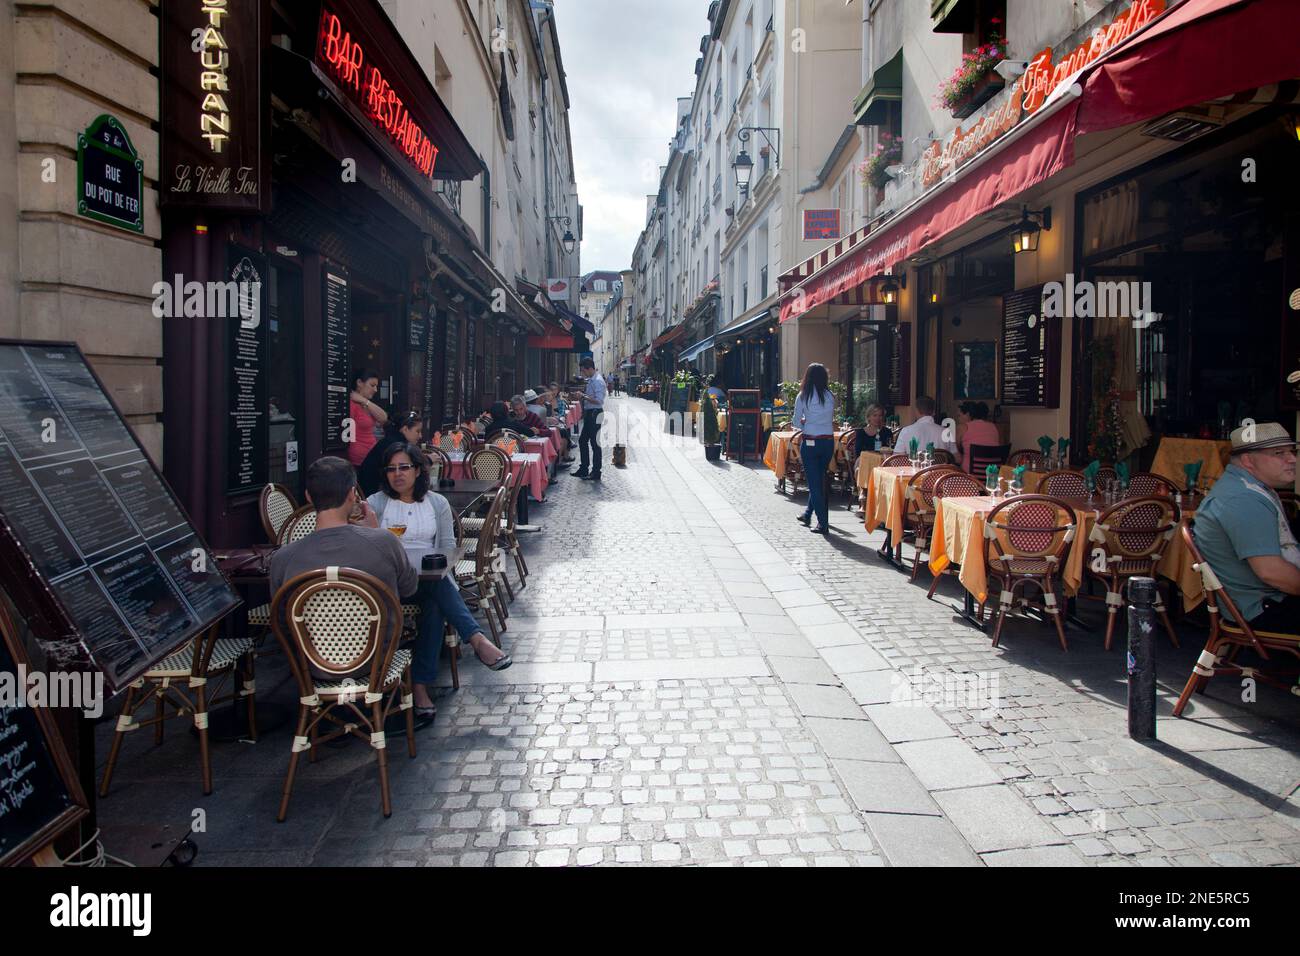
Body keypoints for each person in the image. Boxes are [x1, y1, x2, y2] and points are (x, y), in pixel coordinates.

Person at [365, 443, 511, 719]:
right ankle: (476, 639)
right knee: (436, 597)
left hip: (424, 584)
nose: (397, 474)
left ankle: (420, 686)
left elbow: (446, 551)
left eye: (404, 467)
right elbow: (365, 548)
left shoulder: (436, 503)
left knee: (433, 603)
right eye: (391, 469)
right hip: (386, 587)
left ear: (418, 470)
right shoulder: (375, 504)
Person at [269, 456, 416, 685]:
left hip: (312, 667)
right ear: (351, 494)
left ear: (308, 497)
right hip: (378, 660)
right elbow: (409, 587)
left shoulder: (283, 559)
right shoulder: (384, 542)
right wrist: (376, 532)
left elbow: (280, 621)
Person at [1194, 422, 1300, 632]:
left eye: (1292, 451)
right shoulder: (1243, 499)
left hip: (1266, 600)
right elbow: (1271, 572)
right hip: (1265, 607)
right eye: (1279, 453)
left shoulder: (1249, 487)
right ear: (1248, 460)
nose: (1292, 459)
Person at [793, 362, 836, 535]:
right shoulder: (830, 395)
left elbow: (796, 422)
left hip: (810, 441)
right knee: (818, 480)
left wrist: (805, 423)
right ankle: (808, 514)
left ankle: (822, 523)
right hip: (828, 442)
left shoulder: (803, 396)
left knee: (815, 484)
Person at [357, 410, 422, 496]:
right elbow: (407, 471)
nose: (420, 436)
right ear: (405, 429)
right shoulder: (396, 447)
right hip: (375, 494)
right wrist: (429, 460)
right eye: (417, 431)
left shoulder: (391, 440)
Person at [571, 357, 606, 481]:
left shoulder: (597, 381)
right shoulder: (592, 380)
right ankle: (584, 468)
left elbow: (599, 400)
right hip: (591, 413)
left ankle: (596, 471)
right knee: (582, 440)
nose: (582, 373)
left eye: (583, 371)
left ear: (589, 368)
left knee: (595, 443)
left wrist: (583, 396)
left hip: (595, 414)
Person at [347, 369, 388, 467]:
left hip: (372, 457)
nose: (375, 390)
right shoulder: (351, 405)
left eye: (376, 386)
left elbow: (383, 418)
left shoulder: (365, 403)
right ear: (359, 383)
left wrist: (363, 400)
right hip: (359, 461)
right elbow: (347, 436)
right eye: (372, 385)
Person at [955, 401, 1000, 473]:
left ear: (968, 414)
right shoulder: (993, 427)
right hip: (991, 474)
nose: (958, 419)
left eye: (959, 416)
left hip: (969, 475)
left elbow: (957, 448)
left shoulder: (962, 427)